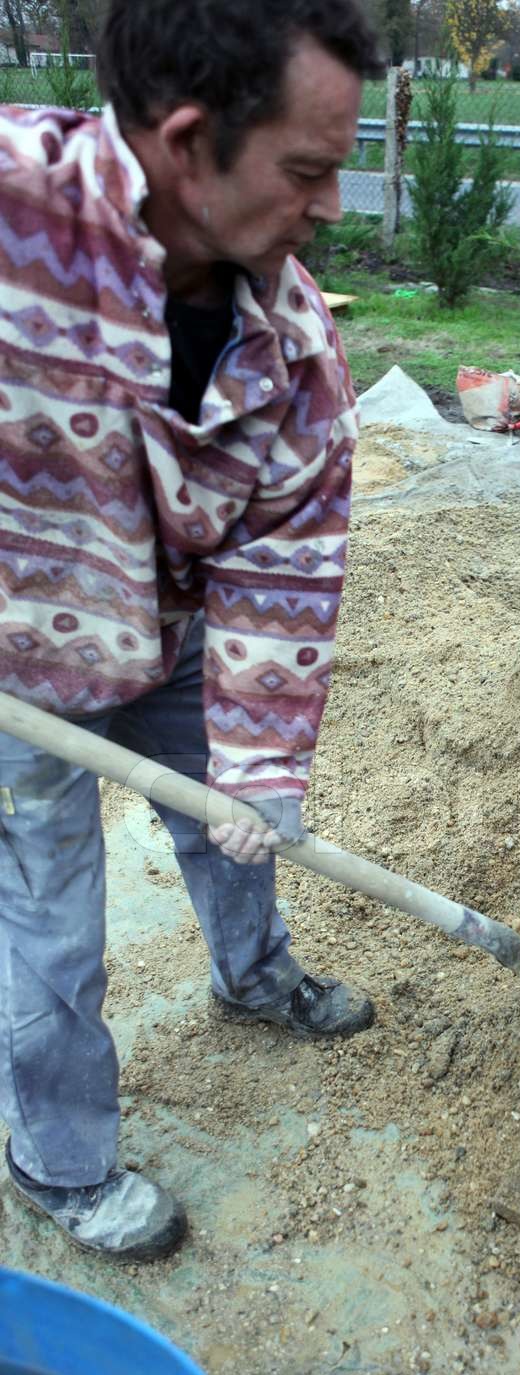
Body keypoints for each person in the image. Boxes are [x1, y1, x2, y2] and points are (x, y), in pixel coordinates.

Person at [0, 0, 380, 1262]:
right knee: (47, 928)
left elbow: (285, 560)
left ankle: (253, 973)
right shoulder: (12, 219)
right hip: (12, 668)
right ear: (185, 140)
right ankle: (59, 1160)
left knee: (239, 824)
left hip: (165, 633)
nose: (330, 207)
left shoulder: (294, 351)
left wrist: (263, 767)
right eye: (309, 169)